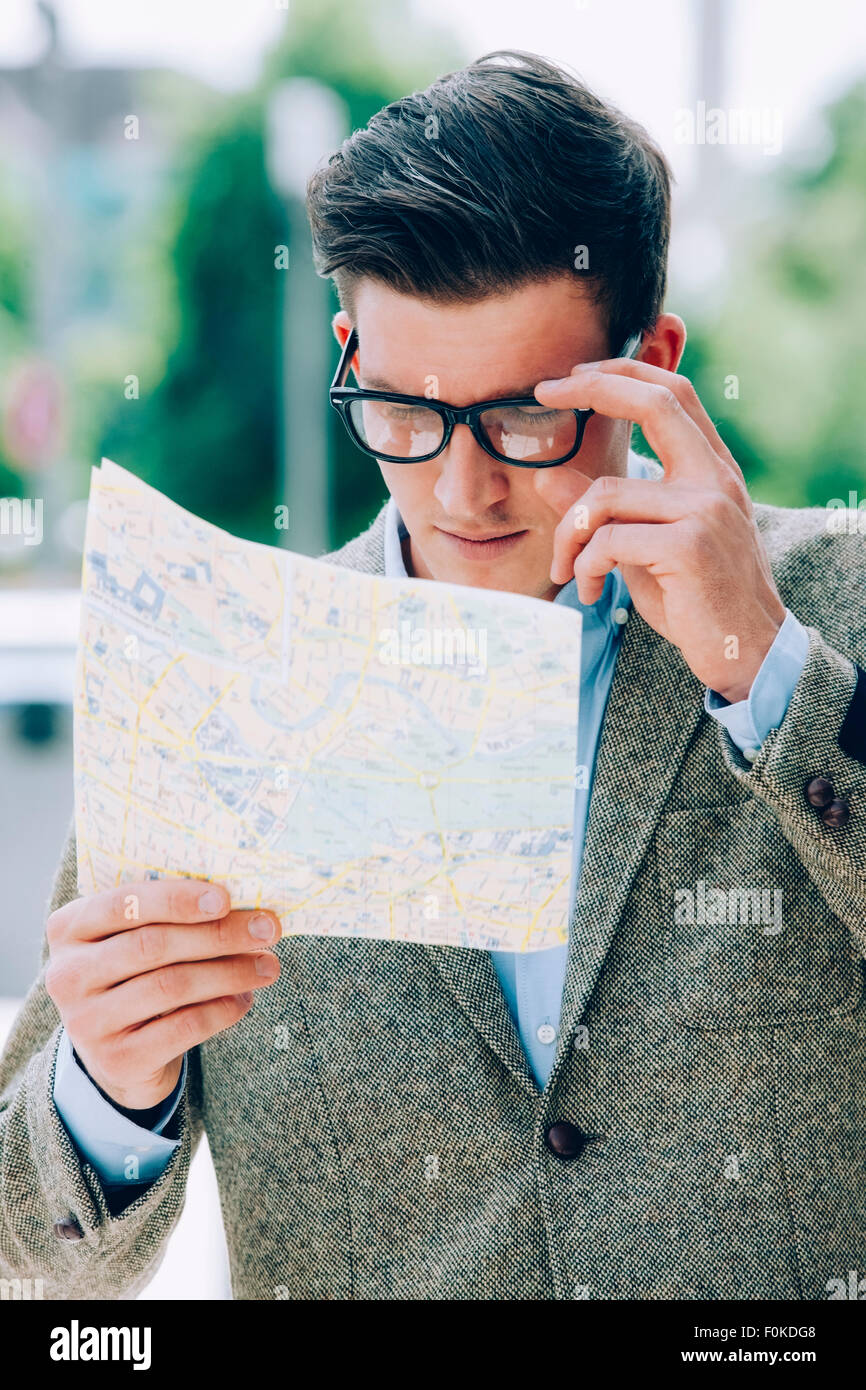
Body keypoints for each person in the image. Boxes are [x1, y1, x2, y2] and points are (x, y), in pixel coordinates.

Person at [1, 49, 864, 1302]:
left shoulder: (835, 602)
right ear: (348, 346)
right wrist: (106, 1085)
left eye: (524, 419)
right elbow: (33, 1251)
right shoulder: (225, 672)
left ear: (653, 360)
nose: (463, 491)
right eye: (404, 411)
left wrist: (771, 677)